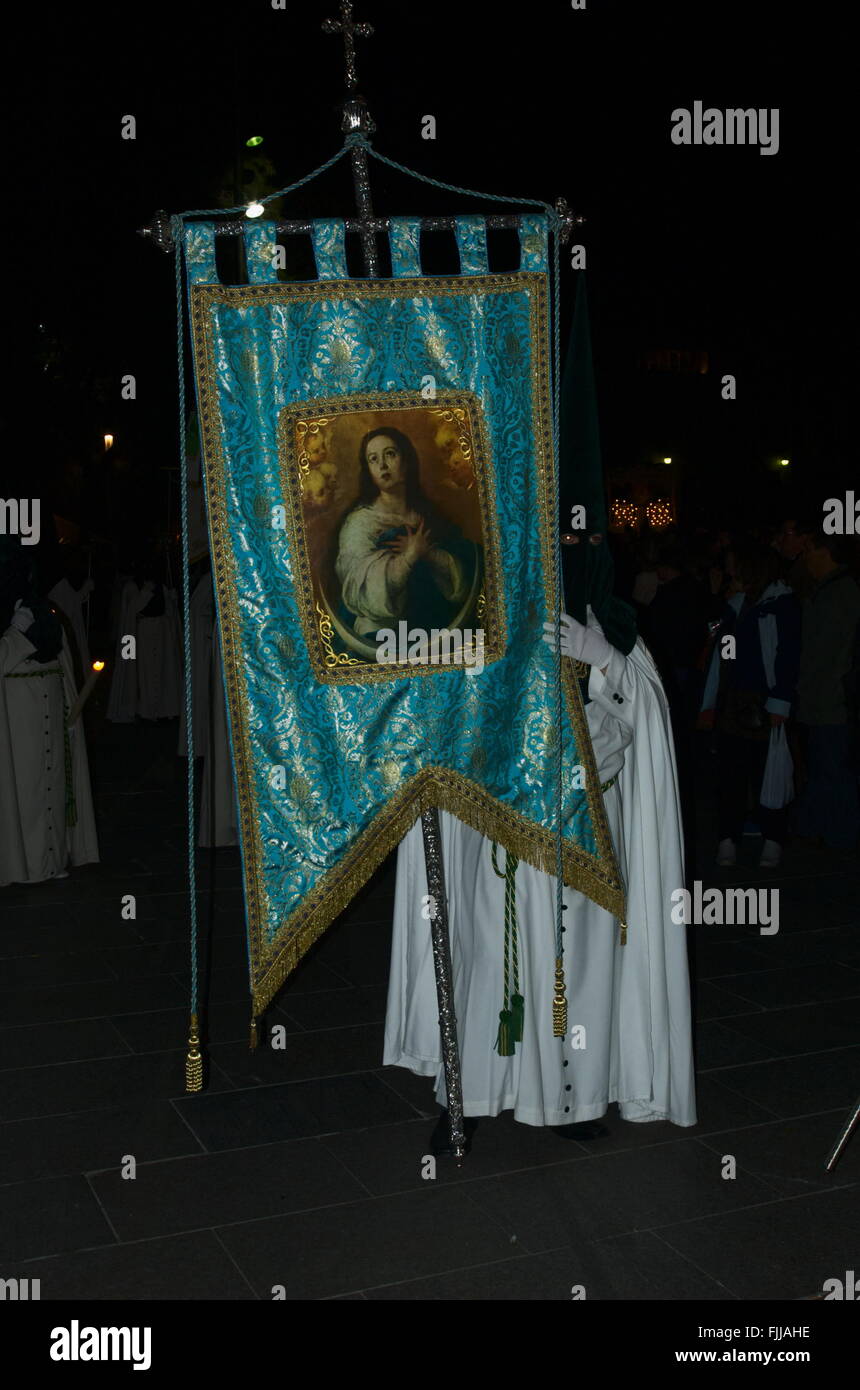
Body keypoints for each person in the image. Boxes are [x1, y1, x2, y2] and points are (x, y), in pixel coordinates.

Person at [384, 605, 697, 1147]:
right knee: (488, 963)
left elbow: (646, 715)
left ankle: (568, 1099)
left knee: (579, 972)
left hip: (587, 829)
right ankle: (471, 1096)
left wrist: (603, 659)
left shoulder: (611, 620)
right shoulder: (481, 604)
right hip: (498, 825)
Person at [0, 538, 99, 886]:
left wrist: (70, 709)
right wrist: (15, 633)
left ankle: (52, 858)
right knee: (23, 792)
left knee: (52, 785)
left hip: (50, 709)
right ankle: (23, 864)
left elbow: (61, 663)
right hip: (13, 721)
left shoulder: (42, 611)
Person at [698, 541, 801, 869]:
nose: (731, 572)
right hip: (734, 699)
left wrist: (779, 703)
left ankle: (773, 837)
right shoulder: (737, 605)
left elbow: (788, 655)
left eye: (737, 567)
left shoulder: (782, 603)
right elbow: (722, 653)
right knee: (730, 773)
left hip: (765, 700)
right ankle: (728, 837)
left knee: (766, 772)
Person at [333, 429, 476, 654]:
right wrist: (408, 559)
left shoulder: (428, 514)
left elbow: (465, 576)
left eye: (390, 454)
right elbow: (357, 589)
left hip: (434, 629)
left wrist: (428, 554)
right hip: (383, 637)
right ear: (368, 470)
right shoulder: (360, 523)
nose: (382, 465)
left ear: (407, 461)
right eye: (373, 459)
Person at [792, 527, 860, 852]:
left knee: (833, 767)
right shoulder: (830, 590)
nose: (805, 557)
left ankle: (839, 835)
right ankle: (827, 830)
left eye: (810, 550)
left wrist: (807, 688)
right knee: (828, 765)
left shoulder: (839, 593)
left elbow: (829, 653)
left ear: (825, 552)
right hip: (827, 697)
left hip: (833, 699)